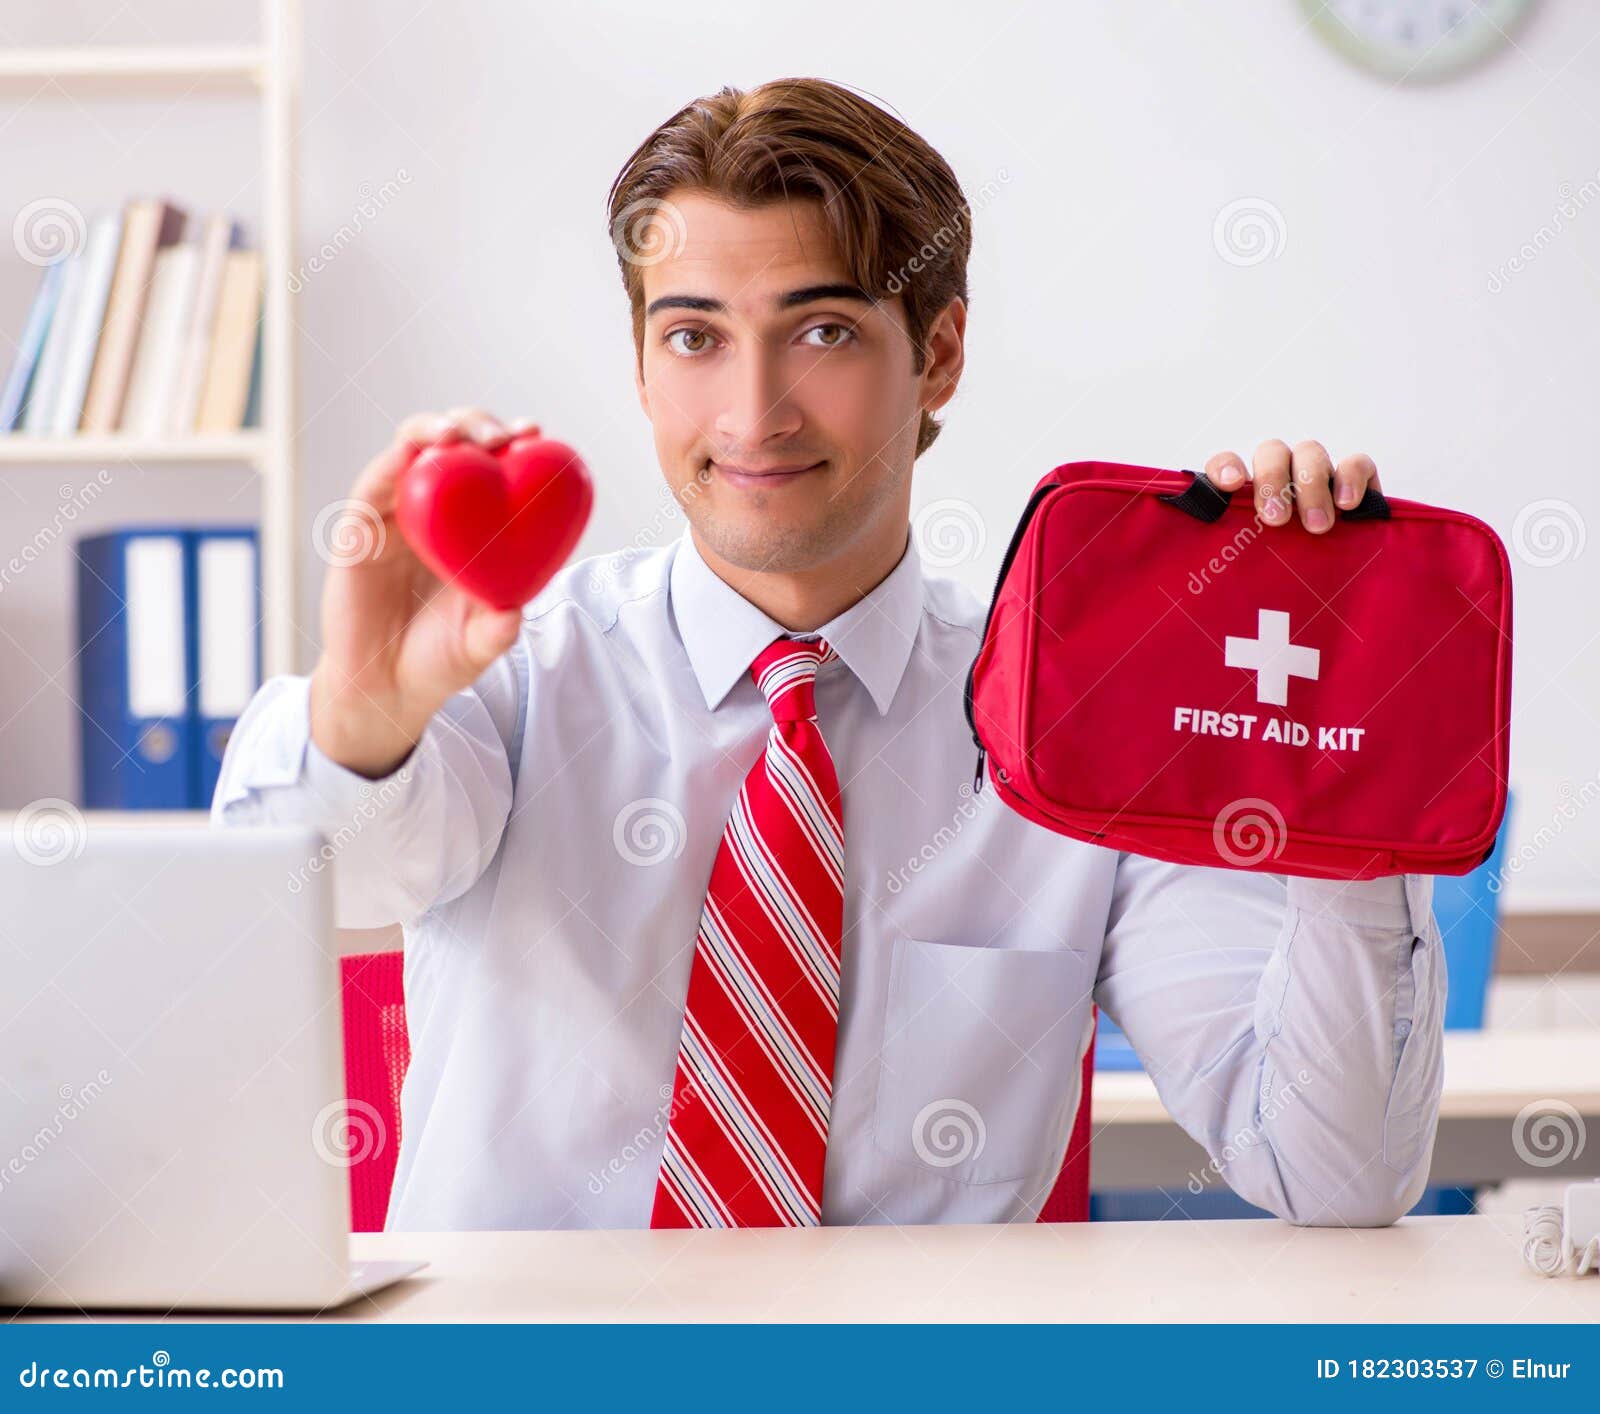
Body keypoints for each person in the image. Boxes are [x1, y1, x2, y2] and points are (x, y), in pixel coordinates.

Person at [213, 76, 1443, 1231]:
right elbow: (300, 898)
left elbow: (1331, 1173)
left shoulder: (1073, 725)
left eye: (822, 333)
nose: (755, 413)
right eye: (695, 338)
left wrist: (1343, 769)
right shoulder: (516, 670)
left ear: (939, 356)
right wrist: (364, 709)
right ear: (641, 363)